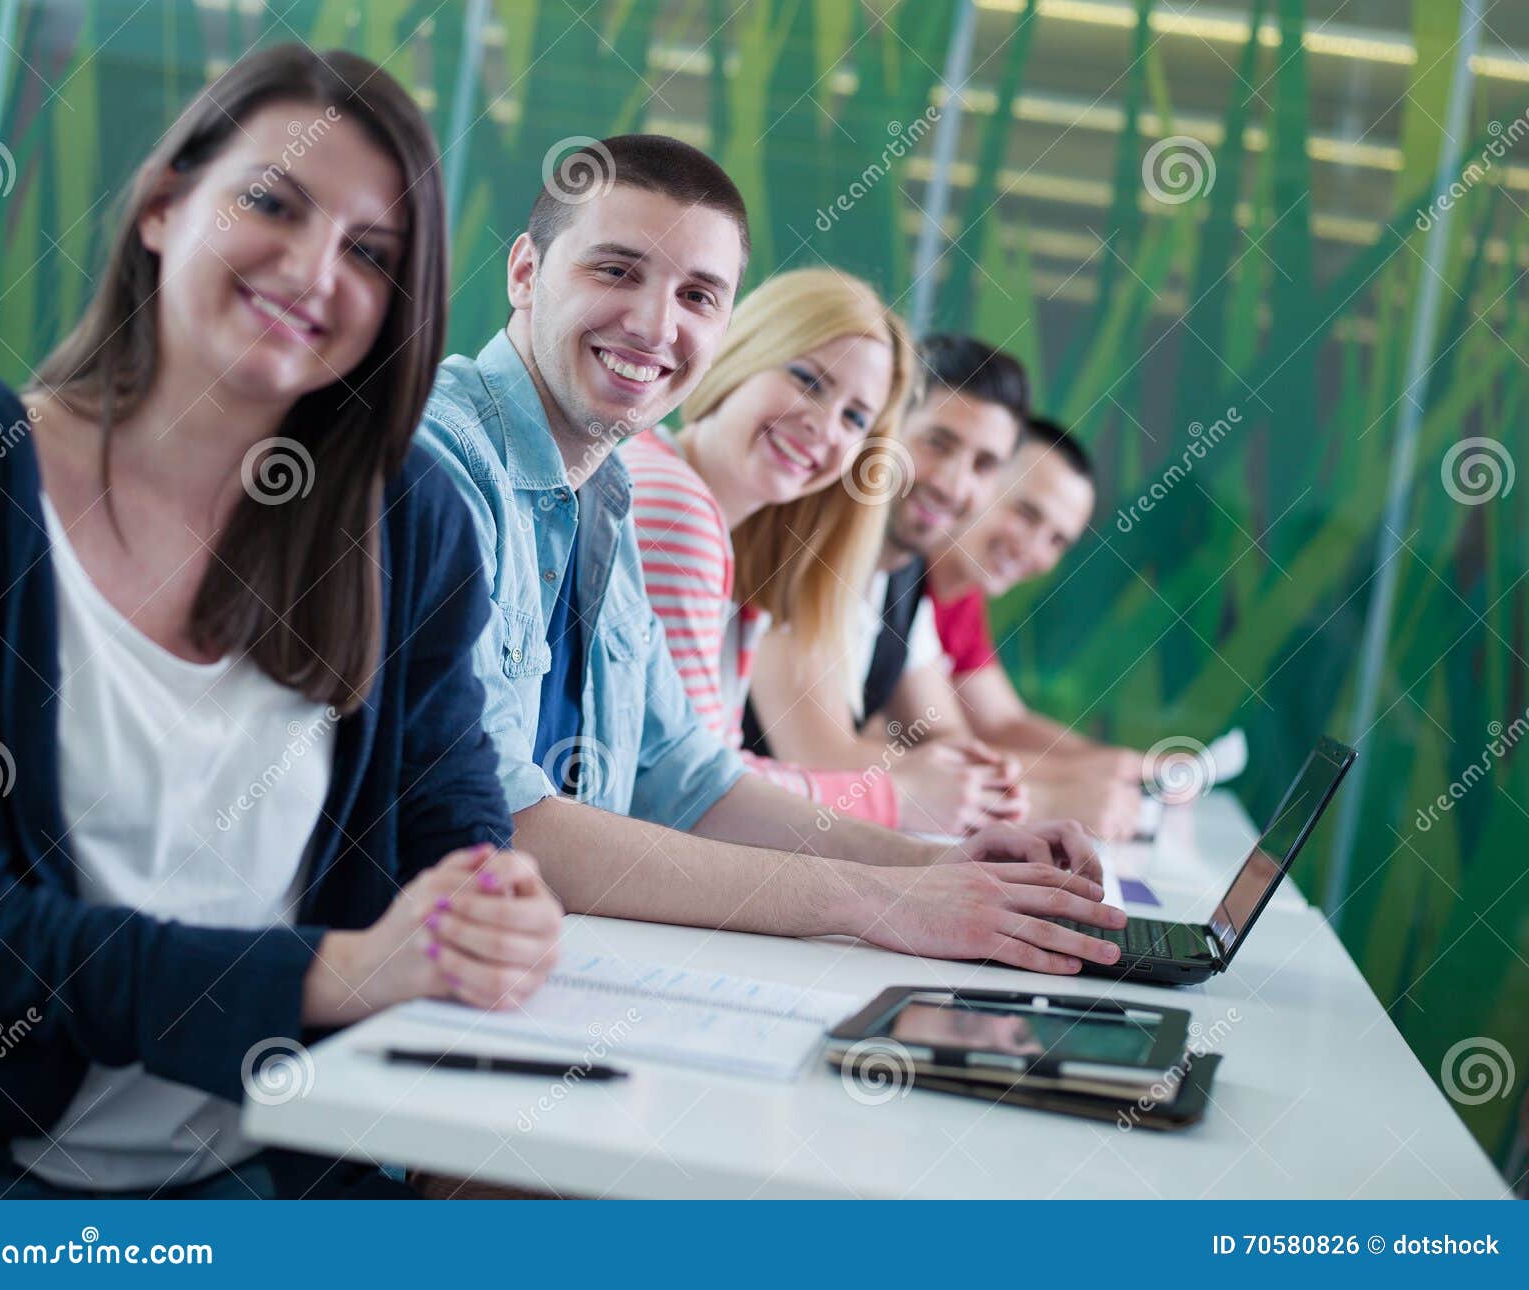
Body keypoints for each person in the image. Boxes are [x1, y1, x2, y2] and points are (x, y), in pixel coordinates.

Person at [0, 45, 561, 1200]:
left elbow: (443, 799)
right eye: (272, 201)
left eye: (372, 254)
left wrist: (485, 898)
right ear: (166, 206)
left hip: (267, 1166)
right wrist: (343, 973)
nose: (315, 270)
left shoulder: (405, 519)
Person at [414, 135, 1127, 974]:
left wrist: (938, 865)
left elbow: (686, 780)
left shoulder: (606, 491)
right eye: (615, 271)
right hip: (397, 1001)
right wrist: (882, 902)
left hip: (536, 974)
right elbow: (502, 820)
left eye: (698, 296)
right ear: (526, 273)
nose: (654, 324)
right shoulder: (441, 463)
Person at [625, 267, 1022, 834]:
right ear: (742, 352)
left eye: (856, 417)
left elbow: (709, 772)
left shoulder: (730, 536)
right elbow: (695, 795)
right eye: (808, 380)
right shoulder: (677, 509)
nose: (823, 425)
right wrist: (896, 804)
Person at [748, 336, 1138, 838]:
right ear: (884, 428)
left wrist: (1076, 783)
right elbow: (826, 756)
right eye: (938, 443)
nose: (953, 485)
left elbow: (948, 740)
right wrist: (1048, 800)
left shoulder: (905, 577)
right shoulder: (804, 545)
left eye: (983, 465)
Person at [928, 418, 1148, 802]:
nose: (1033, 549)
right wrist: (1083, 778)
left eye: (1057, 540)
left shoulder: (961, 597)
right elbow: (901, 742)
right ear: (979, 478)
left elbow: (1001, 723)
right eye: (1027, 514)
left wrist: (1128, 766)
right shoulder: (896, 577)